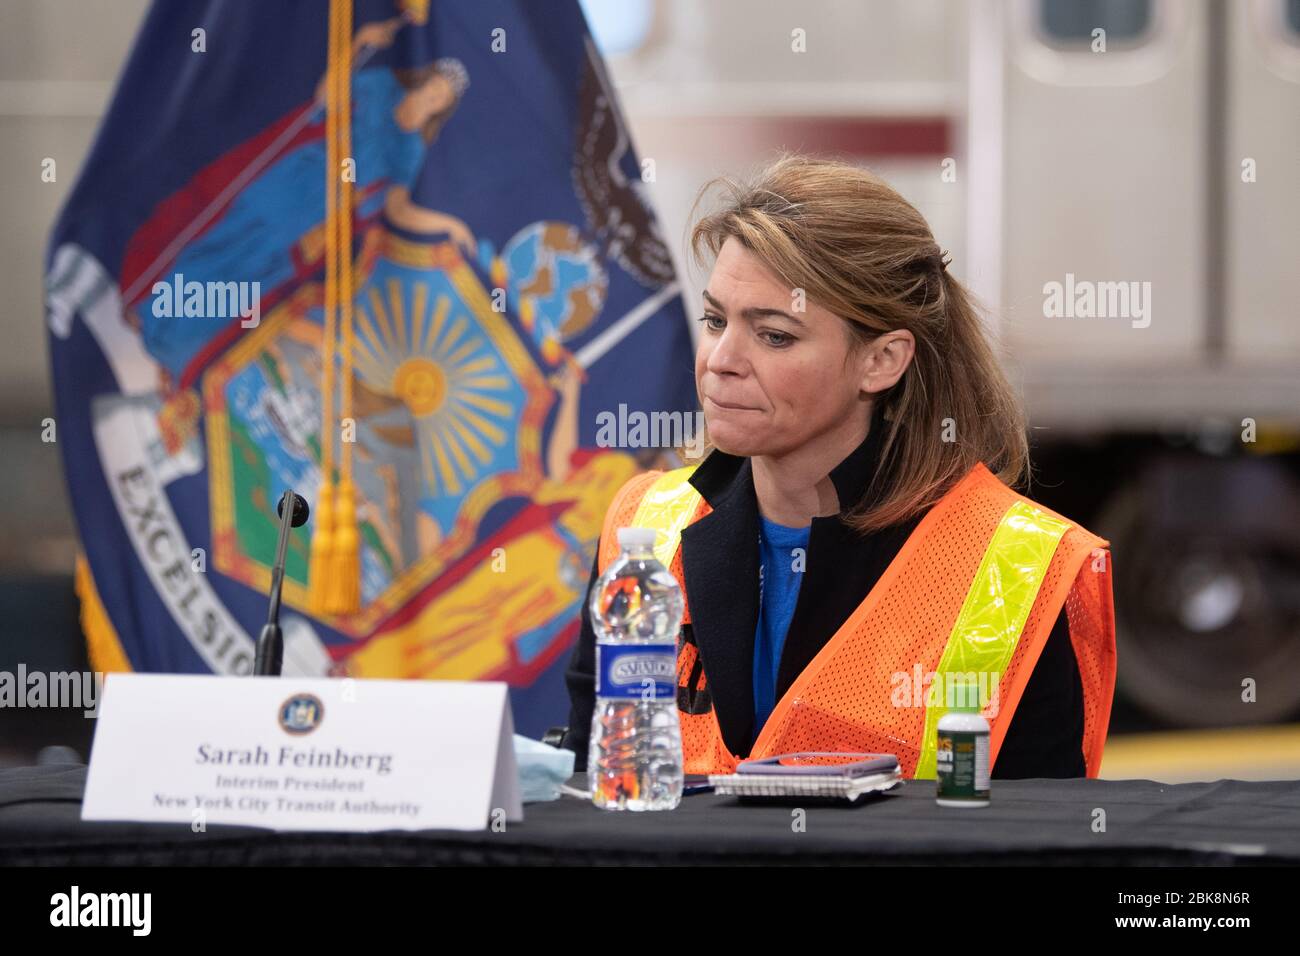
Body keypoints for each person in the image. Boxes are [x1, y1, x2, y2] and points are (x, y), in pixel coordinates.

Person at [563, 154, 1116, 780]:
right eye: (715, 321)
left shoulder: (1013, 563)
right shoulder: (642, 523)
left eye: (774, 335)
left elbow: (1036, 840)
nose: (721, 359)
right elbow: (590, 789)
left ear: (882, 361)